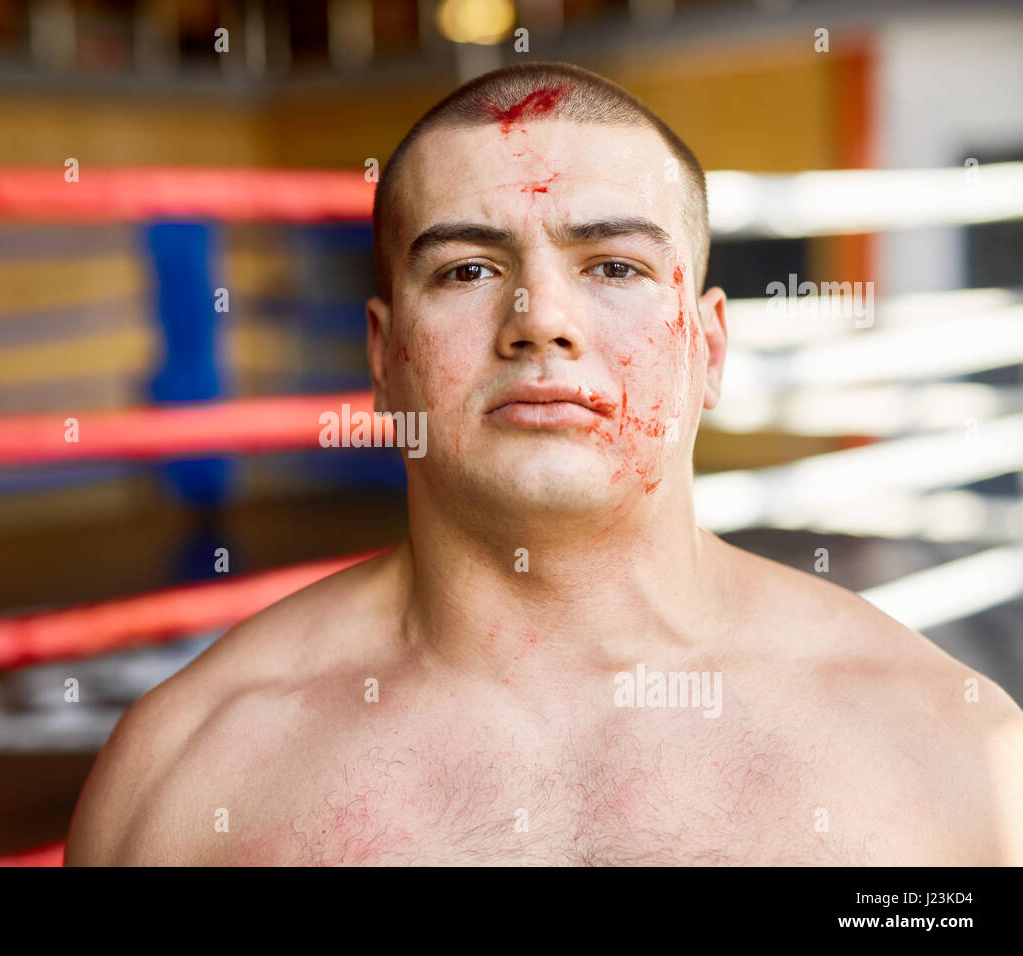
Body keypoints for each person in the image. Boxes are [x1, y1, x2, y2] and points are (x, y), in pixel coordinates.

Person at [65, 62, 1023, 865]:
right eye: (468, 270)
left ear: (709, 349)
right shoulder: (191, 777)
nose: (541, 320)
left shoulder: (951, 752)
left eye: (614, 265)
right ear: (385, 360)